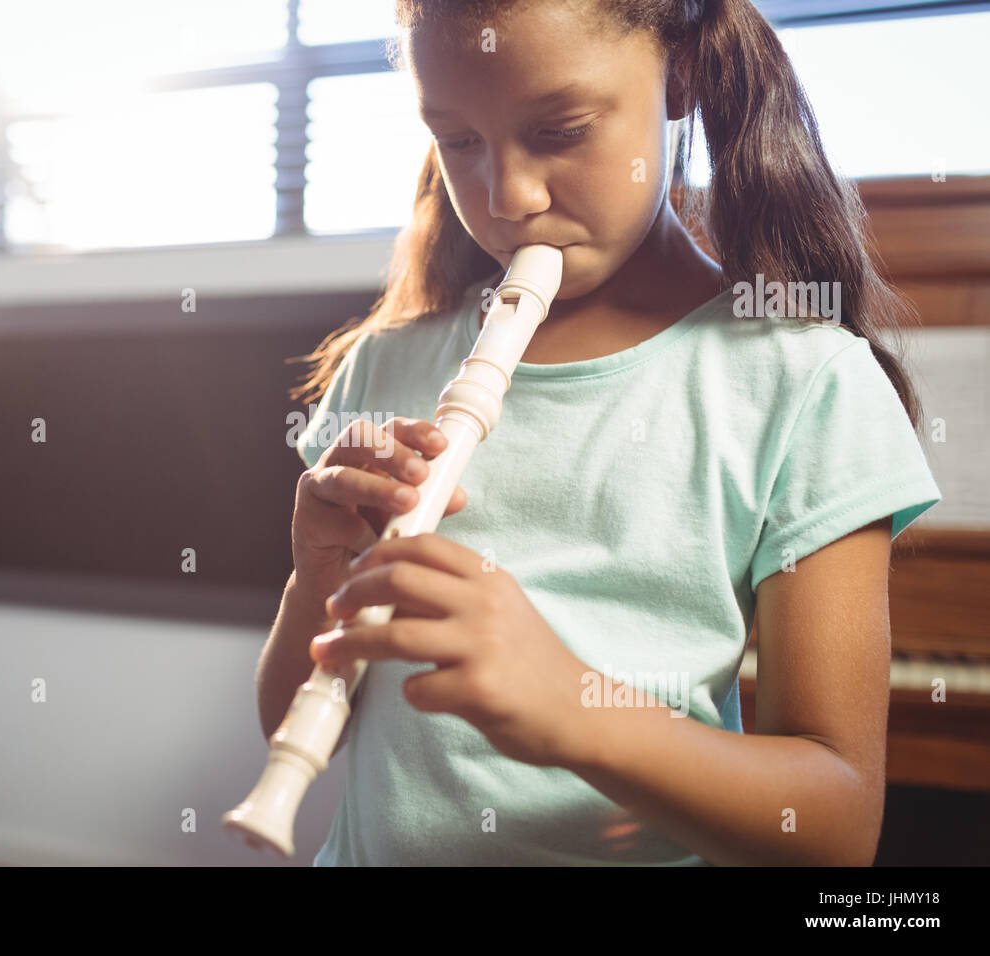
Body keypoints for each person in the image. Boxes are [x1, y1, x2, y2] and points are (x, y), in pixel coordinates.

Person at [257, 0, 942, 866]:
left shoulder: (804, 387)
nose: (510, 199)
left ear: (681, 75)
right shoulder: (384, 367)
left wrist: (576, 709)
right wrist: (313, 580)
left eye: (561, 129)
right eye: (458, 140)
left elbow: (835, 829)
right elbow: (291, 724)